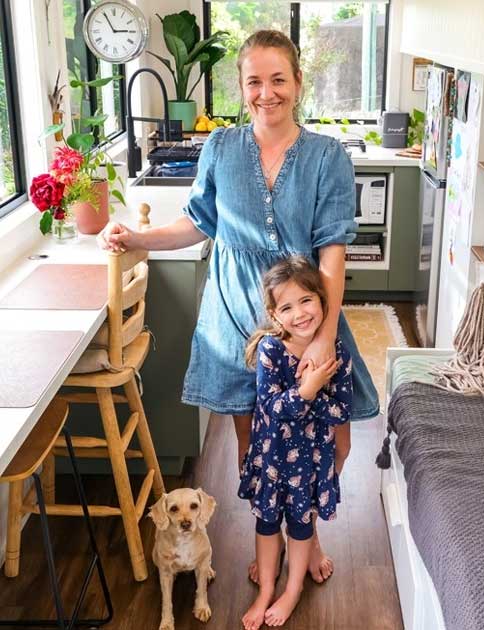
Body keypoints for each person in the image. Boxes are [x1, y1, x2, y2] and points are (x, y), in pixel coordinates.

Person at [97, 29, 378, 585]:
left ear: (298, 83)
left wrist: (321, 337)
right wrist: (136, 238)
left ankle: (307, 529)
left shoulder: (327, 157)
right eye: (255, 81)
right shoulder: (221, 149)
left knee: (330, 439)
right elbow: (198, 224)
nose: (266, 92)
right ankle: (275, 543)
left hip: (303, 315)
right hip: (234, 318)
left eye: (278, 79)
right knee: (257, 446)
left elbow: (332, 256)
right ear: (241, 87)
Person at [239, 255, 350, 630]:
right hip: (272, 459)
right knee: (267, 525)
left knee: (301, 528)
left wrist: (313, 391)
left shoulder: (337, 356)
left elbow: (339, 413)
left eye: (306, 300)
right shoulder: (271, 351)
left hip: (311, 461)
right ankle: (266, 589)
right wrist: (307, 389)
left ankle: (292, 589)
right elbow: (271, 408)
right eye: (287, 306)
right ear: (274, 315)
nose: (300, 313)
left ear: (322, 301)